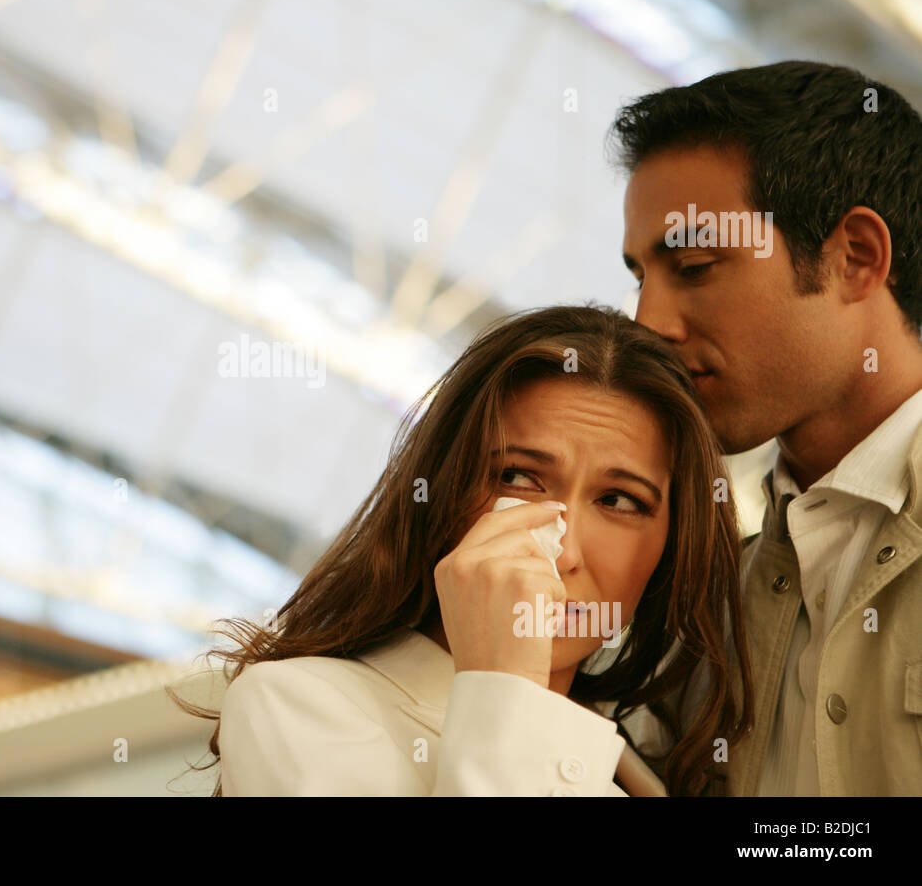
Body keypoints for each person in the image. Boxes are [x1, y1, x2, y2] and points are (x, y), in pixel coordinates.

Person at [167, 305, 752, 796]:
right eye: (519, 479)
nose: (562, 549)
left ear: (667, 552)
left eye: (620, 500)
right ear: (443, 495)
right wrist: (505, 688)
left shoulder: (639, 773)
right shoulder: (300, 707)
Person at [611, 60, 922, 795]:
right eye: (639, 277)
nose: (646, 324)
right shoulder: (700, 621)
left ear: (855, 258)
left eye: (692, 265)